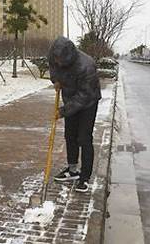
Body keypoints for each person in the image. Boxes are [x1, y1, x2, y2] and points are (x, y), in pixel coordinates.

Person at [48, 37, 102, 192]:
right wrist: (55, 80)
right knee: (69, 135)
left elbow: (84, 96)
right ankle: (72, 171)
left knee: (84, 138)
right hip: (70, 97)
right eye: (56, 59)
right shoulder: (54, 55)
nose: (57, 63)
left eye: (61, 60)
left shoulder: (86, 66)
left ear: (69, 57)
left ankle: (84, 177)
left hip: (88, 100)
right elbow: (52, 66)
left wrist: (63, 111)